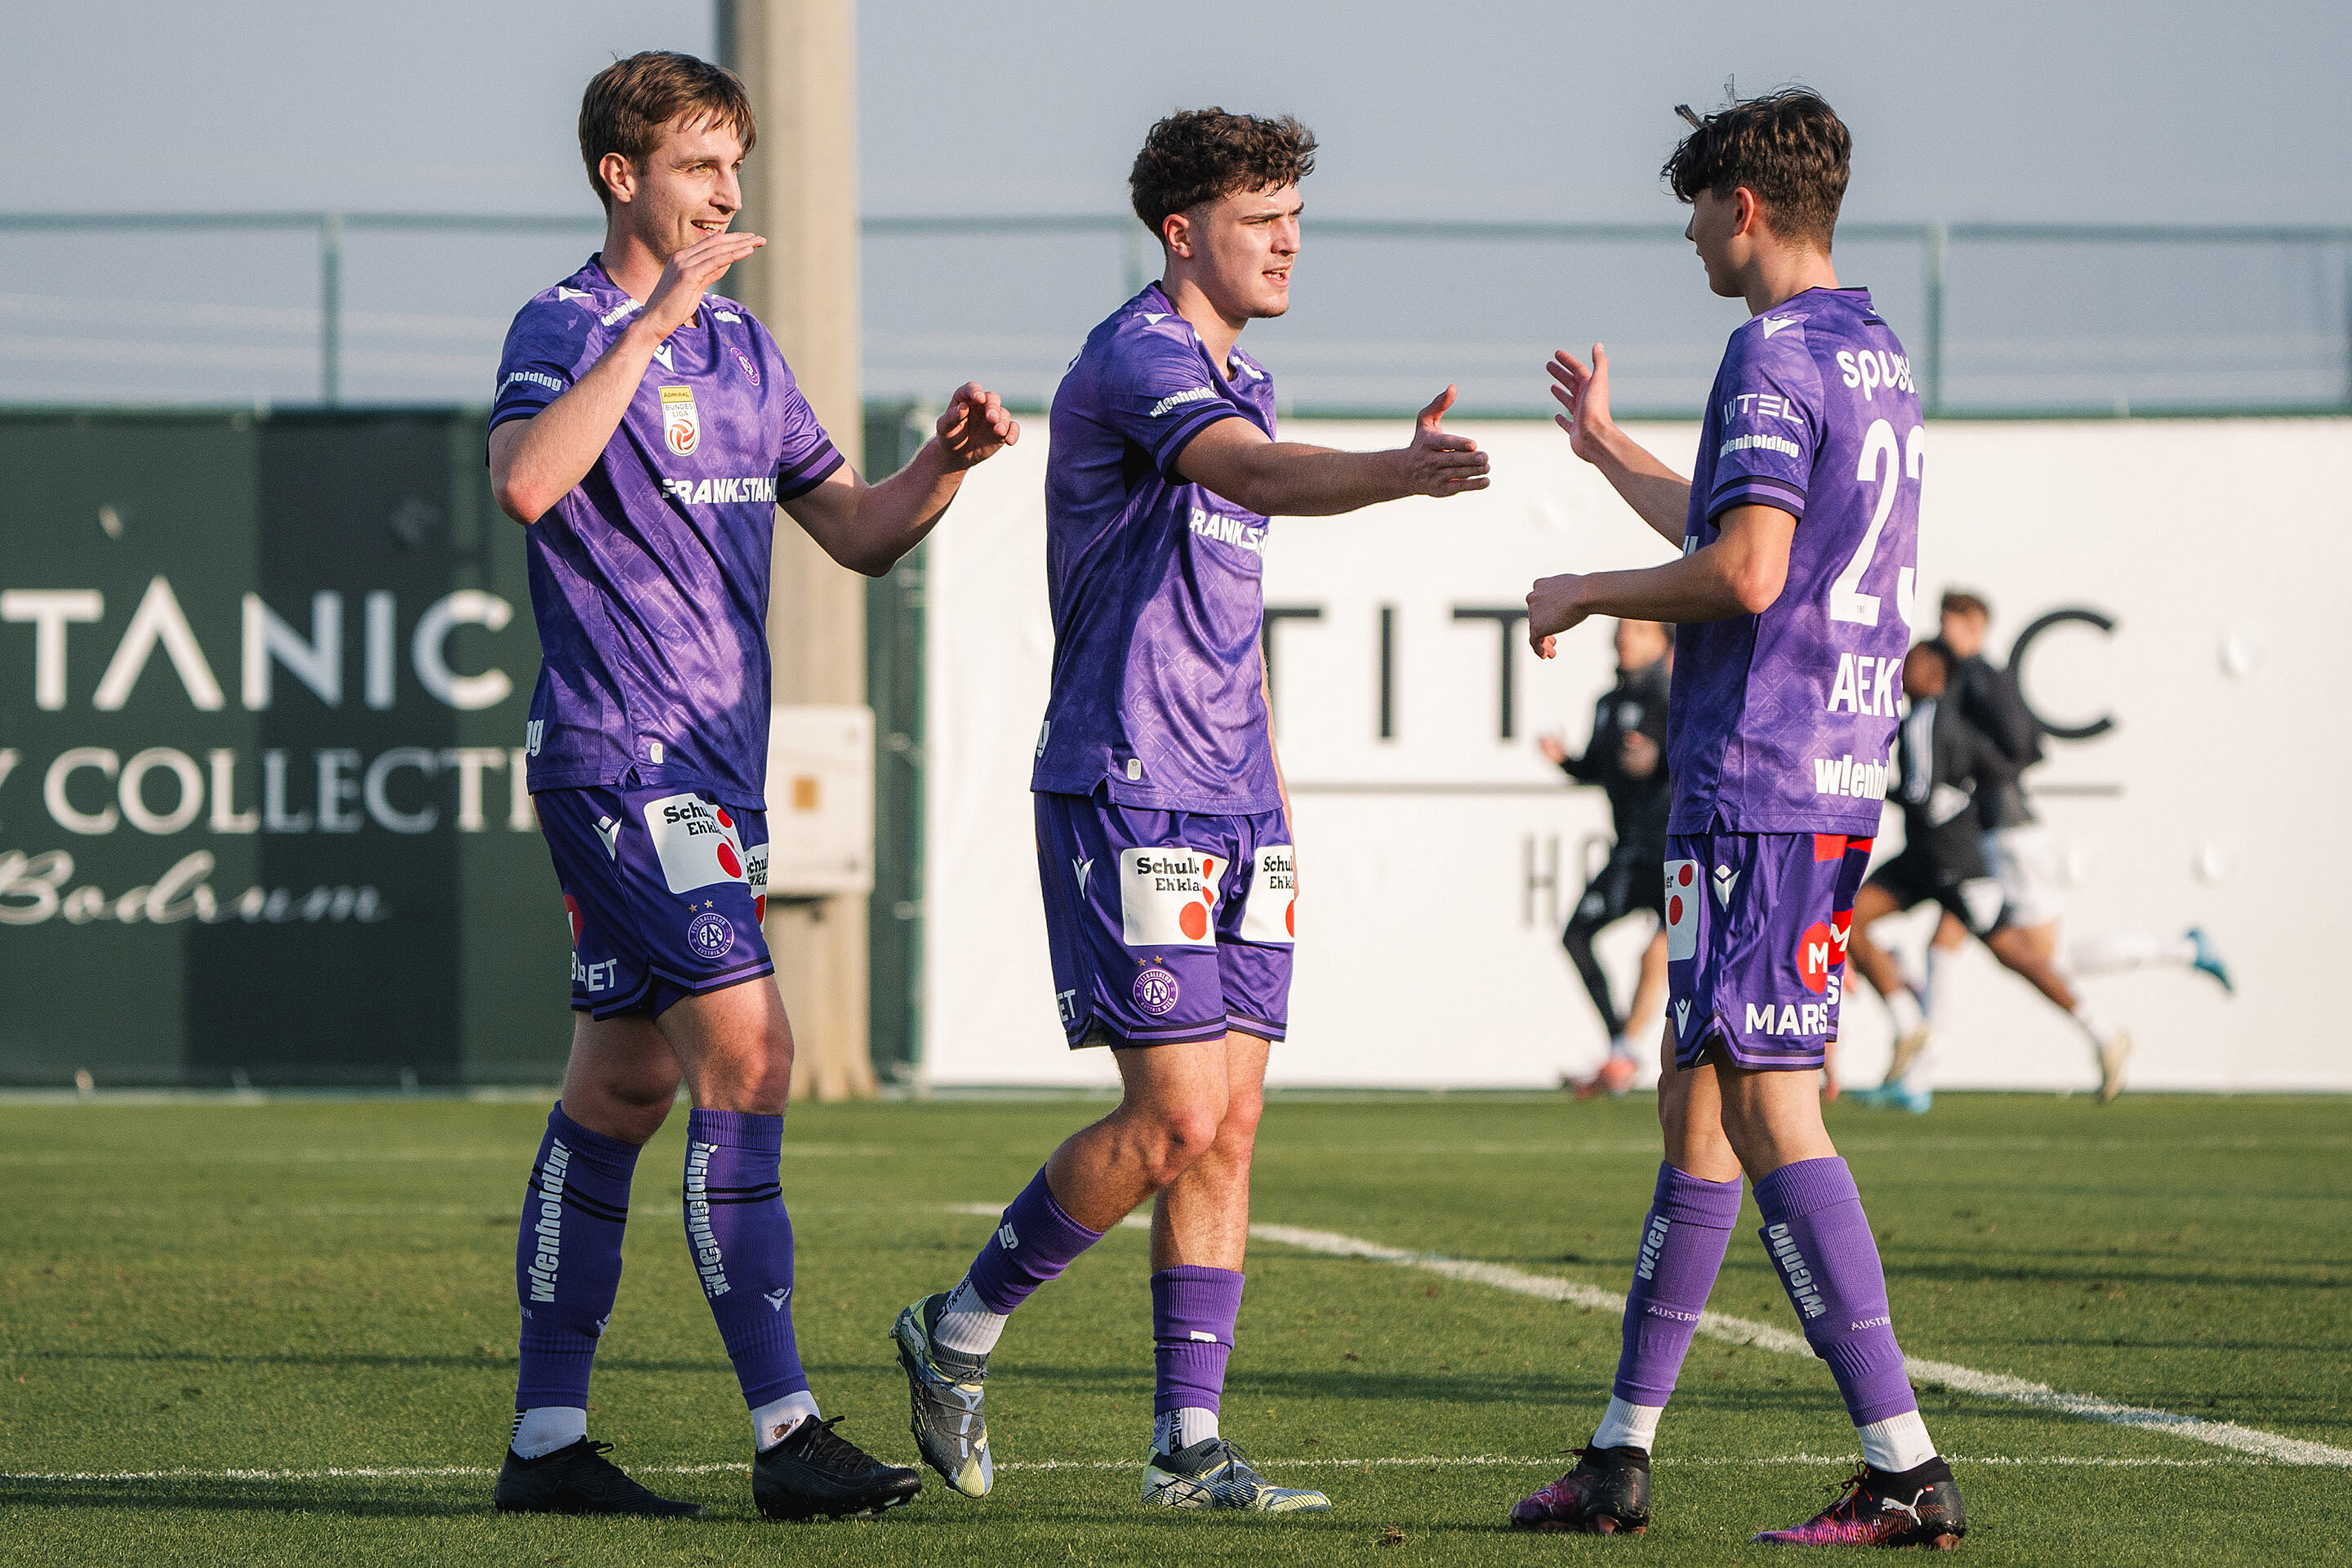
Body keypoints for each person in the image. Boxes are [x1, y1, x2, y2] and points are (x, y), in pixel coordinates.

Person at [889, 107, 1489, 1517]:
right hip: (1128, 781)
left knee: (1232, 1127)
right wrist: (1398, 473)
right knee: (1172, 1118)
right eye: (1258, 218)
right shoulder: (1142, 359)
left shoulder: (1250, 374)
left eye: (1294, 217)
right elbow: (1248, 473)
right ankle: (954, 1332)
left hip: (1233, 803)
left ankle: (1187, 1446)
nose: (1287, 241)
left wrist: (1271, 793)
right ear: (1181, 233)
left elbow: (1231, 617)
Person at [483, 52, 1018, 1521]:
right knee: (754, 1059)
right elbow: (529, 483)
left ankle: (544, 1446)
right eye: (701, 165)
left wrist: (946, 465)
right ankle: (788, 1436)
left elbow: (851, 529)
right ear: (620, 175)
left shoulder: (747, 353)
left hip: (714, 774)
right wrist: (649, 322)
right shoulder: (567, 323)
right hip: (620, 758)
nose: (731, 192)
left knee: (623, 1086)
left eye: (737, 163)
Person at [1510, 90, 1966, 1546]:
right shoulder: (1872, 349)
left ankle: (1904, 1466)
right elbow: (1740, 528)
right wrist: (1606, 449)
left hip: (1761, 775)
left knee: (1769, 1105)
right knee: (1698, 1102)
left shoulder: (1767, 346)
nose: (1695, 236)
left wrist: (1586, 588)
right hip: (1824, 774)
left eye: (1701, 211)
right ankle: (1618, 1456)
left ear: (1747, 210)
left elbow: (1750, 572)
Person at [1883, 591, 2230, 1098]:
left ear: (1977, 626)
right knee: (1945, 948)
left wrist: (1971, 775)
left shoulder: (1983, 676)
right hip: (1977, 836)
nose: (1943, 632)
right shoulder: (1959, 683)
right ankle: (1918, 1077)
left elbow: (2024, 747)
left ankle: (2180, 953)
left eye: (1953, 621)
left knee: (2047, 961)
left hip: (2007, 833)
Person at [1838, 643, 2017, 1113]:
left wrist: (1857, 785)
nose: (1900, 667)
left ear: (1935, 674)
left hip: (1951, 862)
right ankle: (1909, 1029)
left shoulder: (1924, 720)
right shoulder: (1930, 719)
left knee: (2016, 953)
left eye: (1912, 661)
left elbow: (1919, 793)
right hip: (1926, 859)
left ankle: (2100, 1027)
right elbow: (1994, 768)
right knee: (1849, 919)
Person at [1538, 620, 1673, 1097]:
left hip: (1679, 853)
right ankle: (1622, 1046)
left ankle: (1633, 1056)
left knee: (1665, 954)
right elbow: (1598, 768)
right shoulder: (1608, 703)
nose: (1624, 637)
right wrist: (1566, 762)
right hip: (1633, 851)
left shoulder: (1678, 697)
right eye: (1621, 629)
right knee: (1577, 936)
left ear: (1663, 641)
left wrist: (1657, 760)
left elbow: (1698, 761)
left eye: (1637, 630)